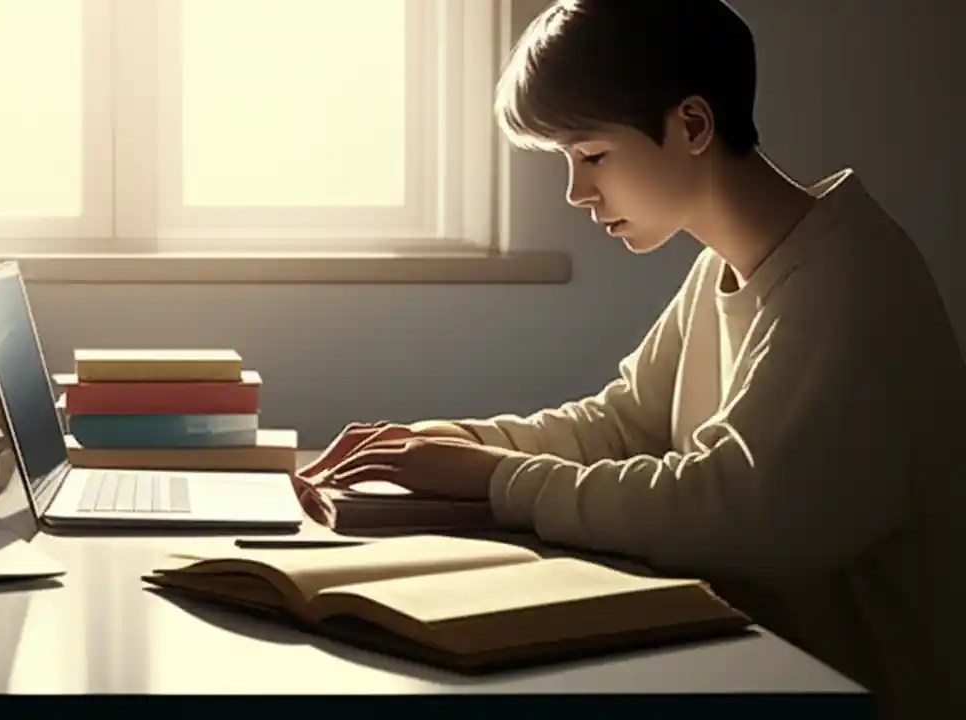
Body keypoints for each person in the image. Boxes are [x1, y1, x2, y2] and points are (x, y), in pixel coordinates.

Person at [296, 1, 965, 717]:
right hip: (755, 669)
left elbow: (743, 512)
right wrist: (462, 443)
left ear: (693, 125)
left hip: (862, 695)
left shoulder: (850, 279)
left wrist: (496, 478)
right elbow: (622, 426)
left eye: (591, 155)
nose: (577, 193)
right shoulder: (727, 267)